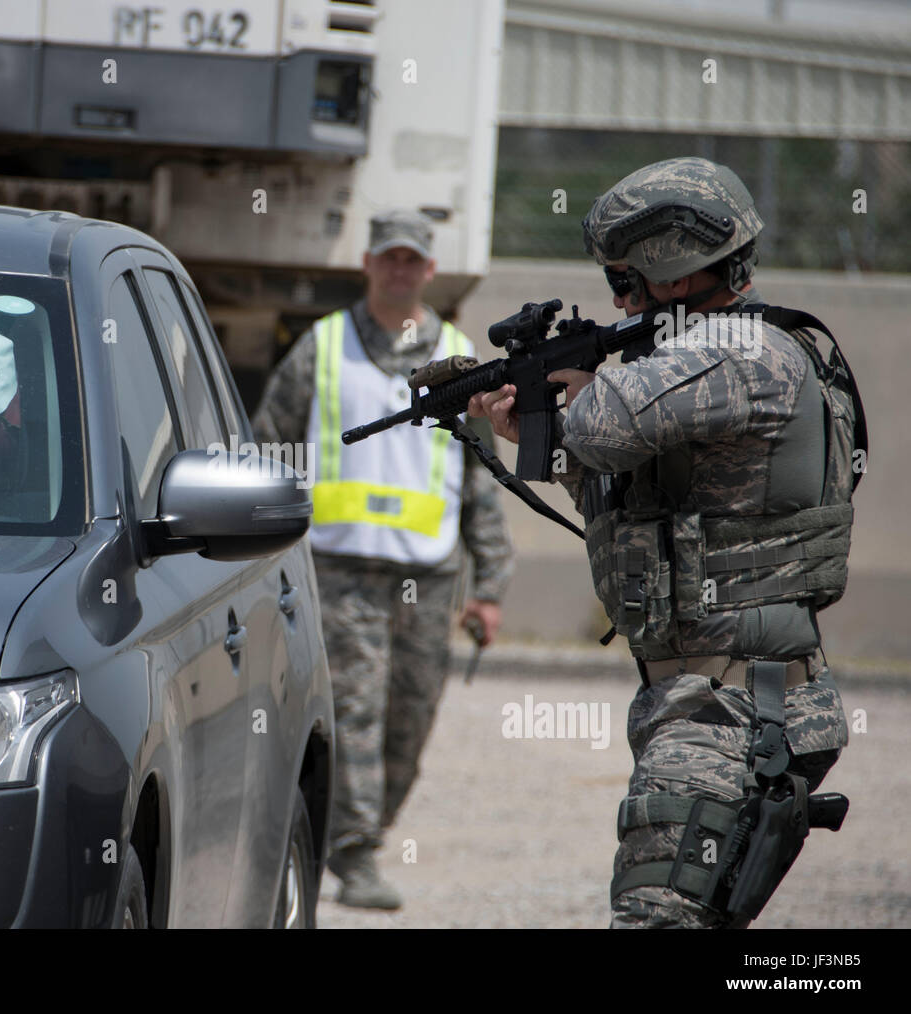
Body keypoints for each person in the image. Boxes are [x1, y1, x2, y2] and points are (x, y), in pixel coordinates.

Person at [467, 157, 862, 928]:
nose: (620, 300)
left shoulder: (742, 352)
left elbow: (607, 421)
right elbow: (631, 502)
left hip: (739, 709)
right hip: (702, 702)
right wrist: (535, 431)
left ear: (672, 273)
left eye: (624, 279)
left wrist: (570, 385)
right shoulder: (705, 361)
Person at [252, 209, 515, 909]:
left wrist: (490, 584)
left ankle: (362, 831)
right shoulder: (323, 347)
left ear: (430, 270)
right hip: (341, 573)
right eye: (388, 258)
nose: (400, 269)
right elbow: (269, 443)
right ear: (367, 264)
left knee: (410, 719)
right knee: (358, 712)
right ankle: (354, 852)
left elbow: (479, 477)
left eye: (412, 259)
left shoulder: (463, 356)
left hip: (427, 580)